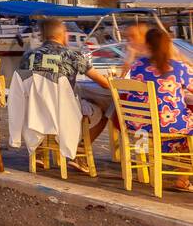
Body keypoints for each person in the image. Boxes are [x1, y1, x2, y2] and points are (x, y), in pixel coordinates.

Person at [17, 18, 113, 173]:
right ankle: (80, 154)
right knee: (102, 113)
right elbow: (103, 83)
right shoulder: (71, 55)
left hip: (35, 112)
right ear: (62, 35)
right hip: (63, 112)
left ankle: (40, 151)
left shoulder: (28, 56)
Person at [123, 28, 193, 190]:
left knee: (182, 128)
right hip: (168, 124)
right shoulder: (178, 67)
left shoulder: (137, 66)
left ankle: (158, 164)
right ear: (169, 45)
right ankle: (182, 177)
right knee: (187, 127)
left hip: (140, 125)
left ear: (147, 44)